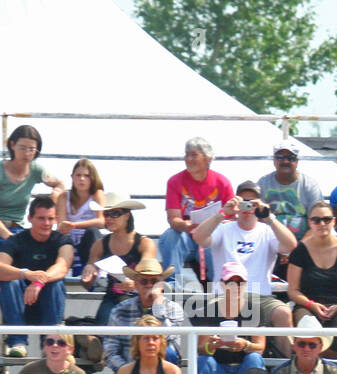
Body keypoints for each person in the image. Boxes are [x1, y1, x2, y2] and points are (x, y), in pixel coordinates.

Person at [192, 180, 296, 349]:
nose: (248, 207)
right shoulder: (224, 228)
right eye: (243, 202)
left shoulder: (267, 231)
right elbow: (199, 238)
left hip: (260, 296)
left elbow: (291, 245)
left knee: (284, 313)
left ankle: (288, 366)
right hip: (223, 295)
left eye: (252, 203)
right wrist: (222, 213)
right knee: (204, 314)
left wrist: (269, 217)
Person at [287, 200, 337, 359]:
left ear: (334, 221)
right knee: (307, 333)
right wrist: (311, 305)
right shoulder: (300, 251)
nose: (322, 223)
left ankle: (325, 365)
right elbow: (293, 290)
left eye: (326, 219)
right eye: (316, 220)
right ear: (309, 223)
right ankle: (310, 366)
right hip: (308, 305)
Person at [0, 195, 74, 358]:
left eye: (50, 219)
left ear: (55, 219)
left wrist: (38, 282)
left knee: (56, 284)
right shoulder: (16, 240)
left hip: (48, 304)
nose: (46, 223)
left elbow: (62, 267)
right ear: (30, 219)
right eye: (41, 218)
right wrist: (26, 273)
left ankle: (49, 343)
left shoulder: (62, 240)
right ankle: (17, 341)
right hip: (19, 306)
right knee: (9, 282)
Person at [158, 137, 234, 285]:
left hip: (211, 237)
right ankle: (172, 285)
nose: (188, 159)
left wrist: (211, 225)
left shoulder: (222, 182)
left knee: (216, 242)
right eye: (187, 155)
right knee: (170, 236)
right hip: (186, 237)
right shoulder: (175, 181)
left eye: (194, 155)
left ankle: (220, 285)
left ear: (207, 158)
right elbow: (173, 218)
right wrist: (185, 226)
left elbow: (231, 218)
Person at [80, 193, 155, 327]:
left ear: (127, 215)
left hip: (140, 298)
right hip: (112, 298)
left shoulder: (144, 243)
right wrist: (89, 273)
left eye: (114, 214)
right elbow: (87, 285)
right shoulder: (100, 244)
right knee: (101, 331)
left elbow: (148, 274)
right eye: (106, 214)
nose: (109, 218)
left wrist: (135, 282)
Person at [103, 257, 183, 374]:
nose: (149, 285)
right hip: (128, 371)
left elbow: (167, 341)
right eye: (144, 281)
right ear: (136, 284)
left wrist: (158, 306)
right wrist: (127, 370)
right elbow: (110, 351)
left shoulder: (173, 309)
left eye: (154, 281)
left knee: (168, 352)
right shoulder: (119, 310)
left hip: (163, 372)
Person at [196, 261, 268, 374]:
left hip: (244, 371)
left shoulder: (256, 310)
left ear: (245, 284)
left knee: (254, 358)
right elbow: (201, 349)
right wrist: (213, 346)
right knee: (204, 360)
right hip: (217, 371)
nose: (236, 287)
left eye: (240, 282)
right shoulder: (208, 311)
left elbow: (260, 347)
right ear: (222, 285)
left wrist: (245, 345)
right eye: (231, 282)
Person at [0, 125, 64, 240]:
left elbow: (59, 184)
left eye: (31, 149)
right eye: (23, 148)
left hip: (18, 228)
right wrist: (8, 237)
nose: (27, 153)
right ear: (12, 145)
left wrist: (54, 198)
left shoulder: (36, 170)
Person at [257, 142, 322, 242]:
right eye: (280, 157)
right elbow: (256, 220)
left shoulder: (310, 185)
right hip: (268, 244)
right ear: (274, 160)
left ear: (297, 161)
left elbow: (317, 222)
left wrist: (298, 249)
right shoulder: (262, 184)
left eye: (290, 158)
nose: (285, 161)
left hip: (303, 246)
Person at [271, 315, 337, 374]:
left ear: (320, 347)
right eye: (302, 344)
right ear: (294, 345)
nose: (306, 349)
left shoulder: (333, 373)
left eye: (312, 345)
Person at [56, 158, 106, 270]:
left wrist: (75, 225)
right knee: (60, 237)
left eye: (87, 176)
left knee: (92, 232)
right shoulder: (64, 196)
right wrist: (67, 226)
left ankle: (96, 272)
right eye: (78, 175)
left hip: (88, 240)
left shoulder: (97, 194)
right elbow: (61, 225)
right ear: (72, 177)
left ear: (93, 178)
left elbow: (101, 221)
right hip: (69, 240)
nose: (82, 179)